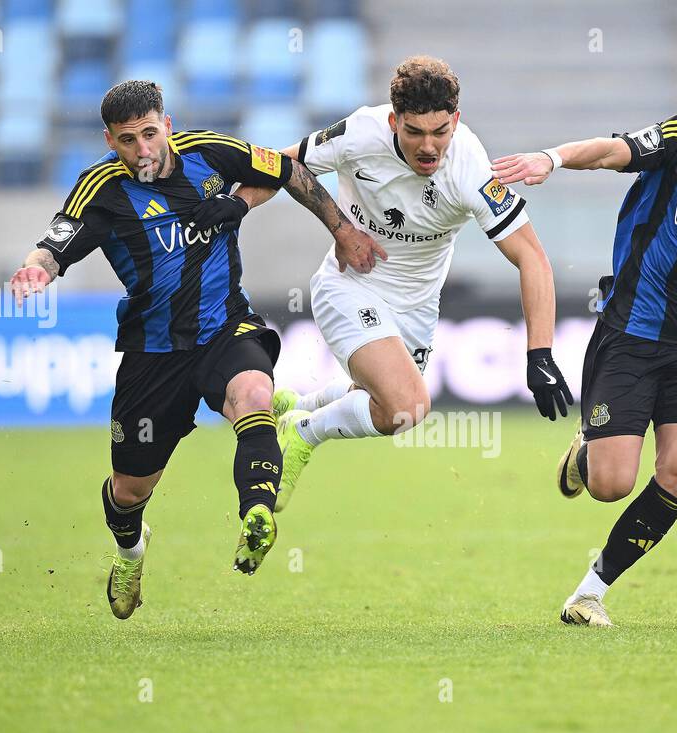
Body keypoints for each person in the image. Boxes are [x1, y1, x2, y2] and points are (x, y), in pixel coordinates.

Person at [10, 80, 385, 619]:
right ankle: (130, 552)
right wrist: (35, 271)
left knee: (255, 392)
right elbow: (54, 245)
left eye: (148, 133)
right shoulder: (102, 189)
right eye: (126, 141)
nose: (141, 150)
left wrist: (330, 228)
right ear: (109, 141)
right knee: (129, 489)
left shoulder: (211, 152)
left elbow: (288, 171)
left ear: (165, 122)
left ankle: (257, 514)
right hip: (154, 354)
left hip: (224, 329)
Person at [490, 43, 677, 627]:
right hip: (630, 333)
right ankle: (589, 453)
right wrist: (552, 159)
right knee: (611, 484)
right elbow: (614, 151)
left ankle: (589, 594)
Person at [237, 55, 572, 512]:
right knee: (409, 406)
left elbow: (532, 257)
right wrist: (237, 207)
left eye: (441, 131)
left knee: (382, 408)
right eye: (414, 132)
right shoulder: (359, 133)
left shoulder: (471, 169)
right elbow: (283, 165)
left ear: (457, 120)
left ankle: (299, 403)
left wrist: (541, 353)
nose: (429, 147)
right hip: (350, 285)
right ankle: (302, 432)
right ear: (394, 121)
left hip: (417, 307)